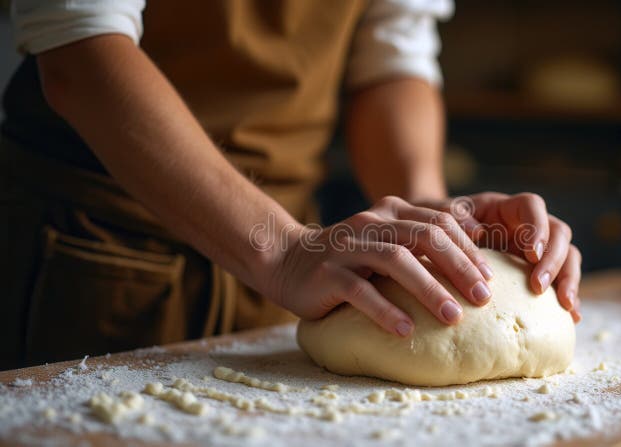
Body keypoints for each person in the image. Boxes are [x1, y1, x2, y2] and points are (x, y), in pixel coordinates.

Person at [0, 0, 582, 371]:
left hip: (291, 272)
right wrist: (278, 250)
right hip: (90, 259)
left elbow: (392, 56)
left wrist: (429, 211)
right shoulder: (284, 257)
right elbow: (79, 49)